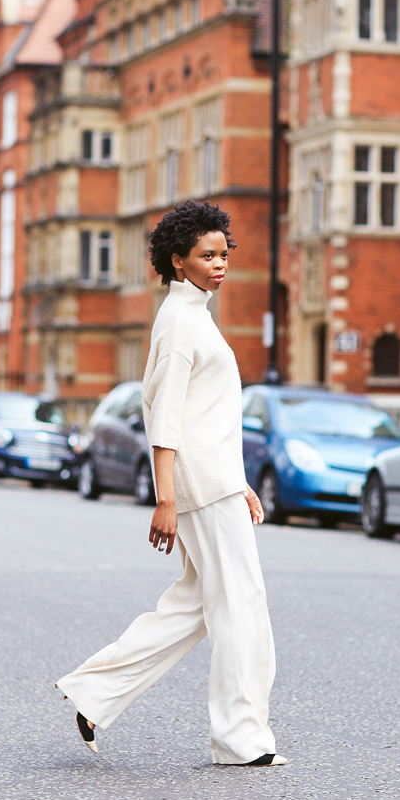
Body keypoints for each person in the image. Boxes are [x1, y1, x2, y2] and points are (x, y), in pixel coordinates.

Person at [56, 200, 285, 766]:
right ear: (177, 260)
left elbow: (207, 416)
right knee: (241, 606)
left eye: (224, 254)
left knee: (197, 604)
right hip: (200, 487)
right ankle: (240, 738)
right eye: (207, 255)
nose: (219, 264)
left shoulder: (192, 313)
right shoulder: (182, 321)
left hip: (213, 481)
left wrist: (239, 482)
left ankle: (94, 692)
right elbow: (165, 417)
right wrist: (166, 499)